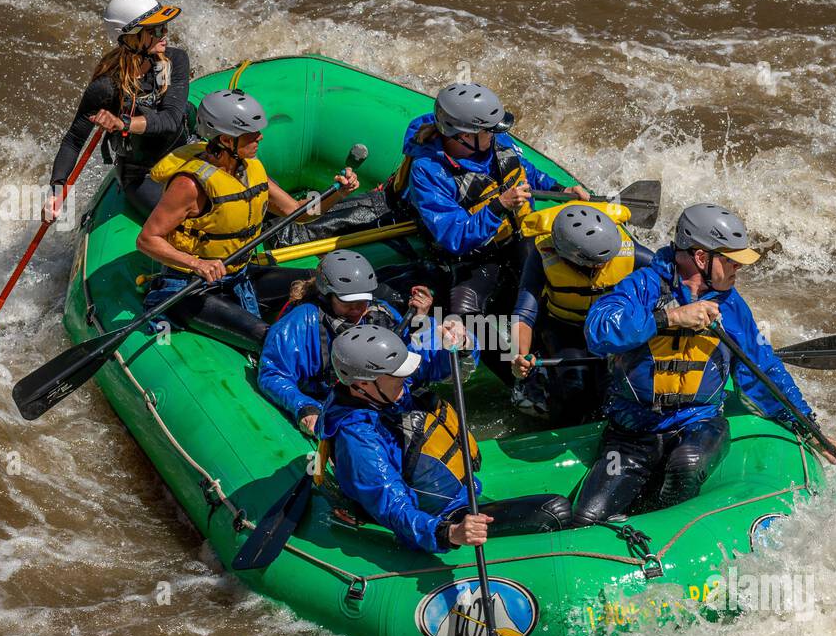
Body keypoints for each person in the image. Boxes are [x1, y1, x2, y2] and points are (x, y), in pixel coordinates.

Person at [571, 204, 836, 526]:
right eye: (731, 261)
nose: (738, 270)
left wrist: (812, 431)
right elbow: (599, 330)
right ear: (702, 258)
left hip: (698, 426)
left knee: (687, 462)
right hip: (631, 435)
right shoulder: (643, 286)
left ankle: (666, 528)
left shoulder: (732, 307)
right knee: (585, 517)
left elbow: (764, 372)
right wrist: (669, 318)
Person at [136, 89, 359, 348]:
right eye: (252, 134)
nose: (260, 137)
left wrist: (338, 193)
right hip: (192, 287)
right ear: (226, 140)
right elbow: (147, 240)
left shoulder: (251, 168)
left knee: (321, 282)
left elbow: (298, 214)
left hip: (239, 274)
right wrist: (197, 263)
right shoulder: (190, 185)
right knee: (271, 338)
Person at [319, 325, 573, 553]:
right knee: (554, 512)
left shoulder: (385, 388)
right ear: (362, 384)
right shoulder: (359, 441)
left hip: (457, 495)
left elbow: (437, 365)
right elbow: (393, 507)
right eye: (395, 375)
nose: (404, 378)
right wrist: (448, 533)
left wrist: (462, 345)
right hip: (439, 517)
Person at [386, 83, 589, 323]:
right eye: (488, 131)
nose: (495, 134)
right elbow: (454, 236)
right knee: (463, 315)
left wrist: (560, 190)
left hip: (521, 239)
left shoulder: (494, 139)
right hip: (475, 257)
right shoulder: (429, 172)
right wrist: (499, 206)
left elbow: (527, 172)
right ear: (463, 135)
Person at [46, 0, 190, 223]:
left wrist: (122, 123)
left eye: (164, 27)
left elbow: (171, 119)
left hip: (182, 152)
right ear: (131, 38)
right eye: (155, 30)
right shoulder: (106, 87)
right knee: (184, 222)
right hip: (143, 173)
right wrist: (57, 188)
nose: (165, 34)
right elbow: (74, 139)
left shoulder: (174, 61)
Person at [259, 250, 433, 438]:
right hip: (334, 404)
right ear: (327, 294)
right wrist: (305, 407)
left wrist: (421, 322)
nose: (357, 309)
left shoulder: (382, 313)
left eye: (362, 301)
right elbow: (273, 373)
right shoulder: (301, 322)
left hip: (379, 400)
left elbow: (411, 361)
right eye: (348, 303)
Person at [509, 203, 654, 425]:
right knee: (575, 387)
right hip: (565, 328)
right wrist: (520, 354)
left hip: (611, 329)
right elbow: (525, 312)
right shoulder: (543, 256)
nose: (604, 267)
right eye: (597, 264)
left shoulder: (630, 252)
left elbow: (672, 276)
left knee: (617, 389)